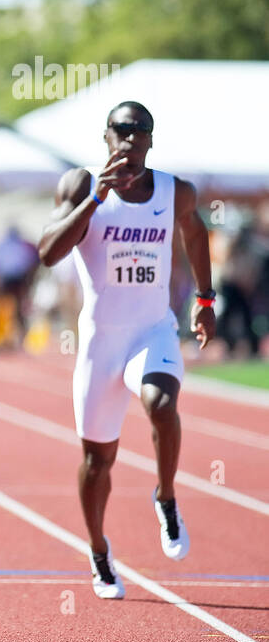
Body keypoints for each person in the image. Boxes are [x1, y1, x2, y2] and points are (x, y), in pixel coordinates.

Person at [38, 101, 215, 599]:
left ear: (151, 142)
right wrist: (96, 198)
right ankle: (98, 549)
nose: (131, 140)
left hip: (151, 330)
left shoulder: (173, 191)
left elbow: (197, 231)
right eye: (123, 131)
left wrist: (205, 297)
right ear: (107, 137)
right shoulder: (80, 184)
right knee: (98, 462)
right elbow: (49, 251)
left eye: (141, 133)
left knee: (161, 403)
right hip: (100, 343)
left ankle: (165, 496)